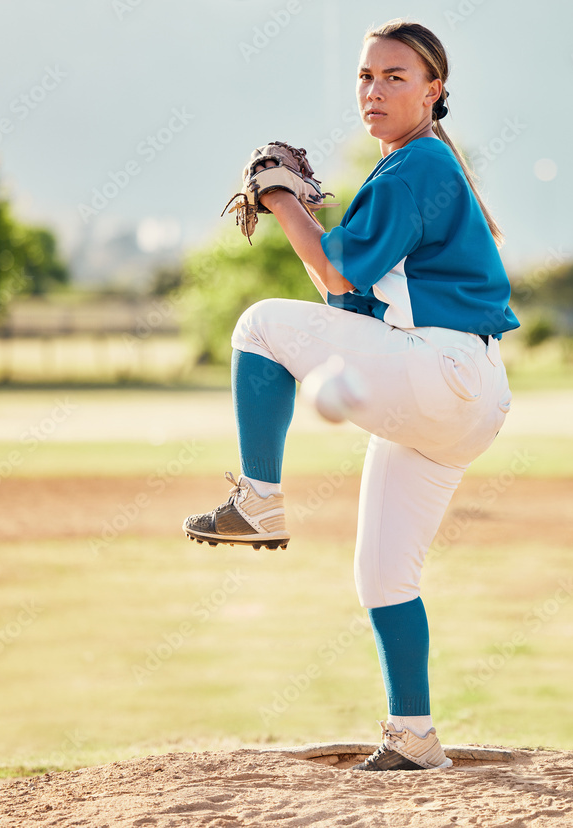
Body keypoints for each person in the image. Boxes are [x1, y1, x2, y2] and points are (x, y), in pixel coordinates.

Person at [182, 18, 518, 771]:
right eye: (366, 77)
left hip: (444, 371)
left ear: (434, 90)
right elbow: (344, 295)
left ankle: (258, 498)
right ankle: (414, 737)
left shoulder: (418, 165)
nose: (374, 90)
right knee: (382, 572)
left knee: (258, 325)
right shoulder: (408, 168)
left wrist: (280, 201)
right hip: (459, 398)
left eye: (395, 76)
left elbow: (333, 274)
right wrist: (293, 211)